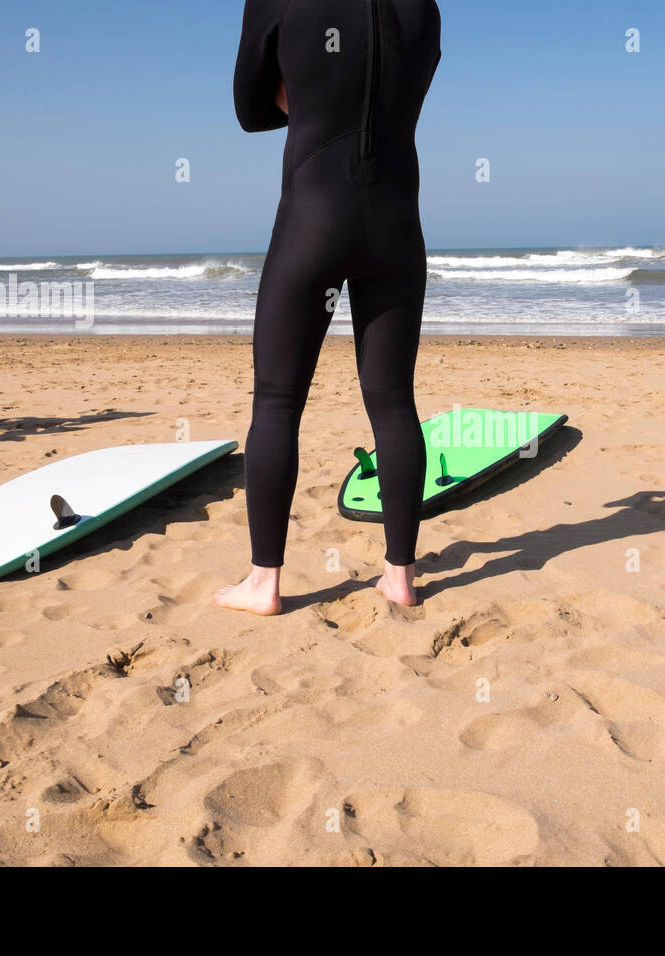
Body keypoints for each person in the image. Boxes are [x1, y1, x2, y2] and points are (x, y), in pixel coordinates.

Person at [216, 0, 442, 616]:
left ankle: (265, 583)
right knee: (394, 401)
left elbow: (248, 109)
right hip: (397, 220)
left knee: (277, 402)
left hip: (315, 216)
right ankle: (400, 576)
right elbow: (404, 90)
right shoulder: (423, 7)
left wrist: (309, 101)